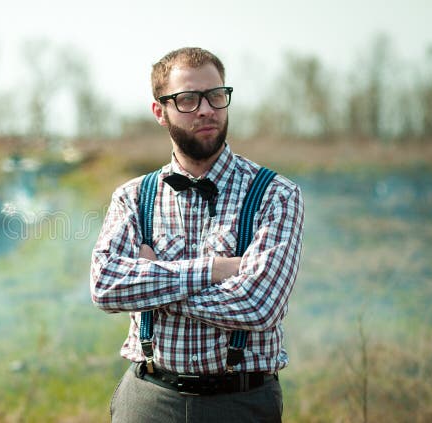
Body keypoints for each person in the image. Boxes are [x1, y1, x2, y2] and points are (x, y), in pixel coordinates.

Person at [90, 47, 304, 422]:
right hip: (149, 399)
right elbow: (106, 287)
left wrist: (152, 286)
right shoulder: (133, 197)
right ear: (160, 112)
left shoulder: (276, 194)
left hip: (240, 402)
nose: (206, 109)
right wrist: (213, 271)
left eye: (215, 96)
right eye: (188, 99)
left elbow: (258, 305)